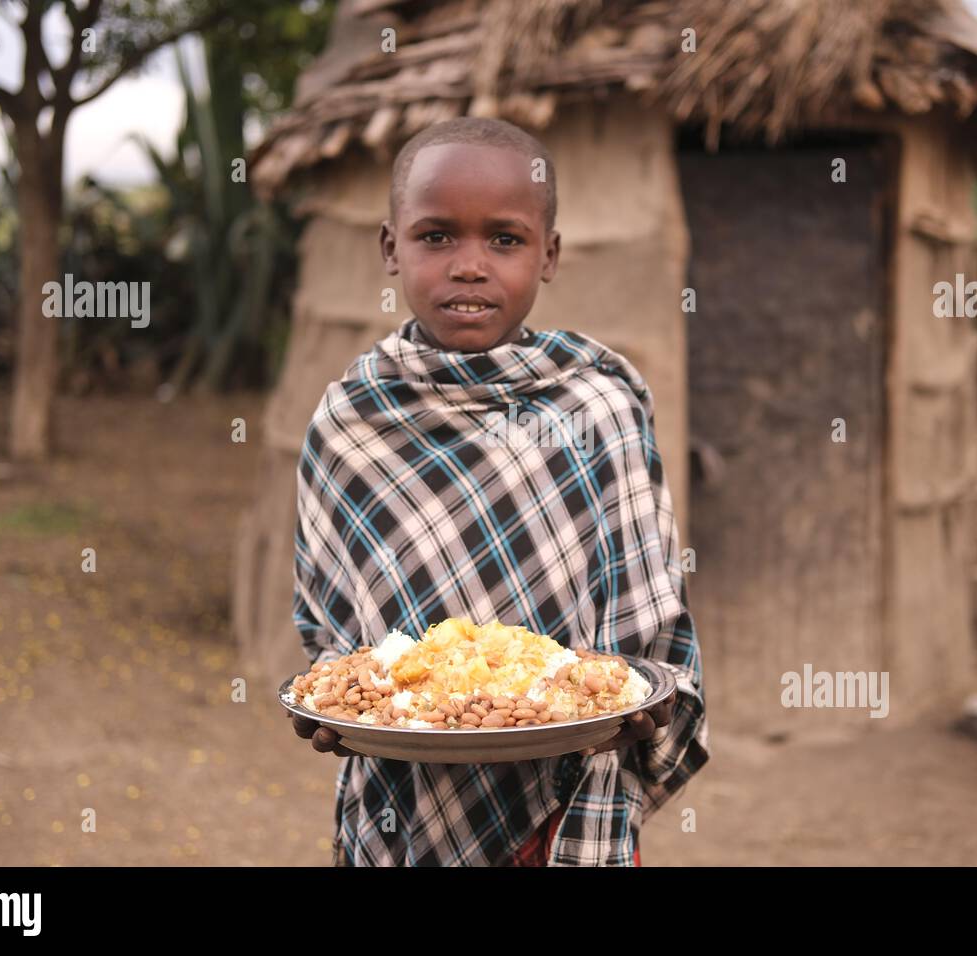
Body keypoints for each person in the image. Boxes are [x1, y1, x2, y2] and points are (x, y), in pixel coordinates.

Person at [287, 115, 710, 866]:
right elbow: (332, 636)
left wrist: (647, 704)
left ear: (548, 256)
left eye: (505, 240)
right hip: (402, 811)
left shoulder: (597, 409)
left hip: (566, 808)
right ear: (392, 248)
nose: (470, 266)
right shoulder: (350, 421)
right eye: (437, 236)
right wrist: (334, 703)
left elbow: (649, 628)